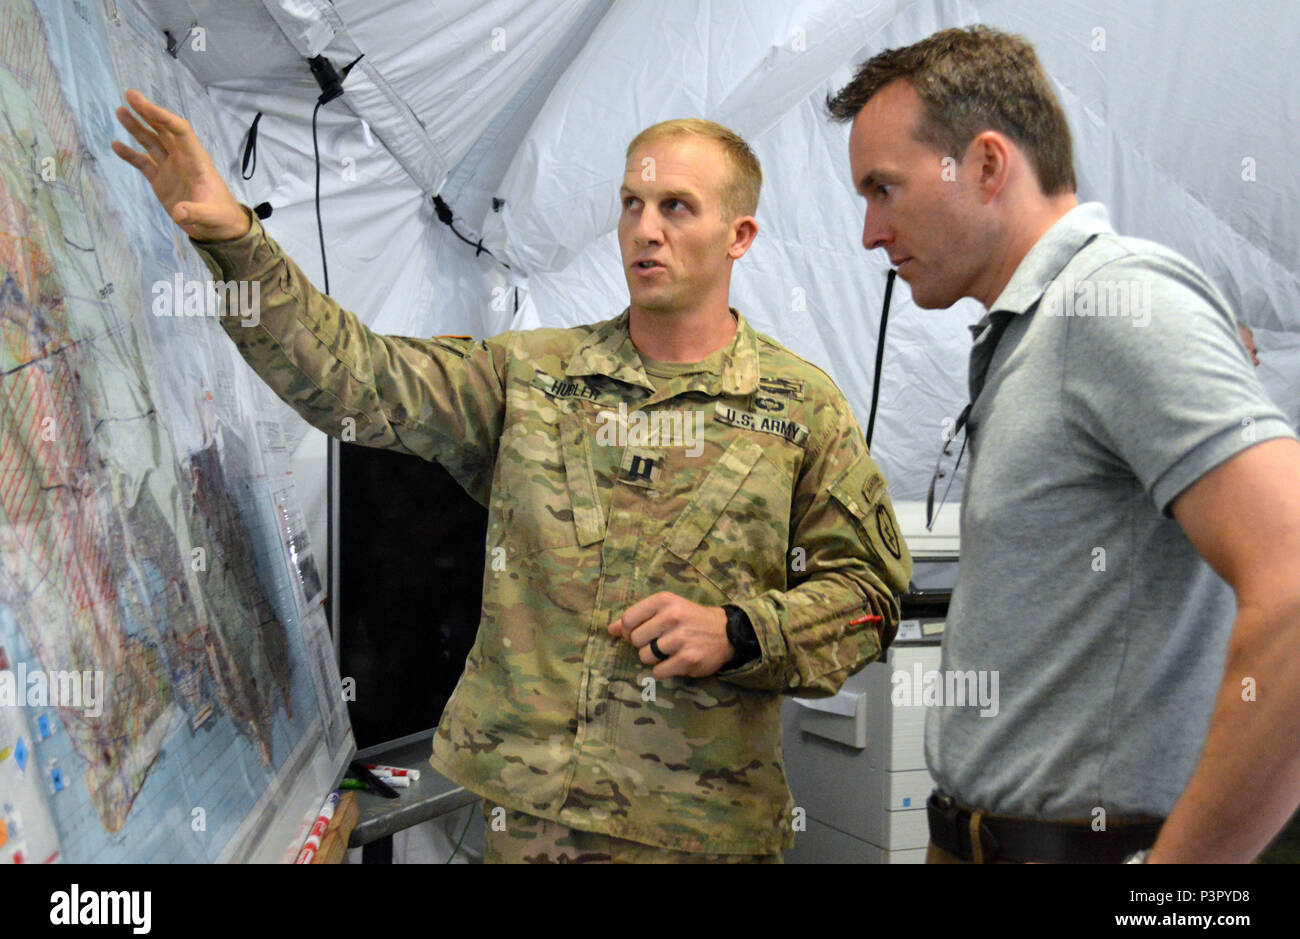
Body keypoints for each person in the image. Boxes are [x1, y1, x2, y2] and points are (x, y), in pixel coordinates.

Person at [112, 92, 912, 862]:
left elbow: (871, 598)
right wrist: (233, 241)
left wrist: (740, 632)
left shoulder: (798, 409)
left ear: (739, 235)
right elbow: (357, 378)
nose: (646, 229)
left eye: (677, 207)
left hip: (704, 832)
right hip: (535, 826)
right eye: (632, 203)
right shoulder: (533, 380)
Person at [826, 25, 1300, 863]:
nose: (870, 232)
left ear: (986, 165)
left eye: (884, 190)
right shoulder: (1030, 335)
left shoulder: (1116, 304)